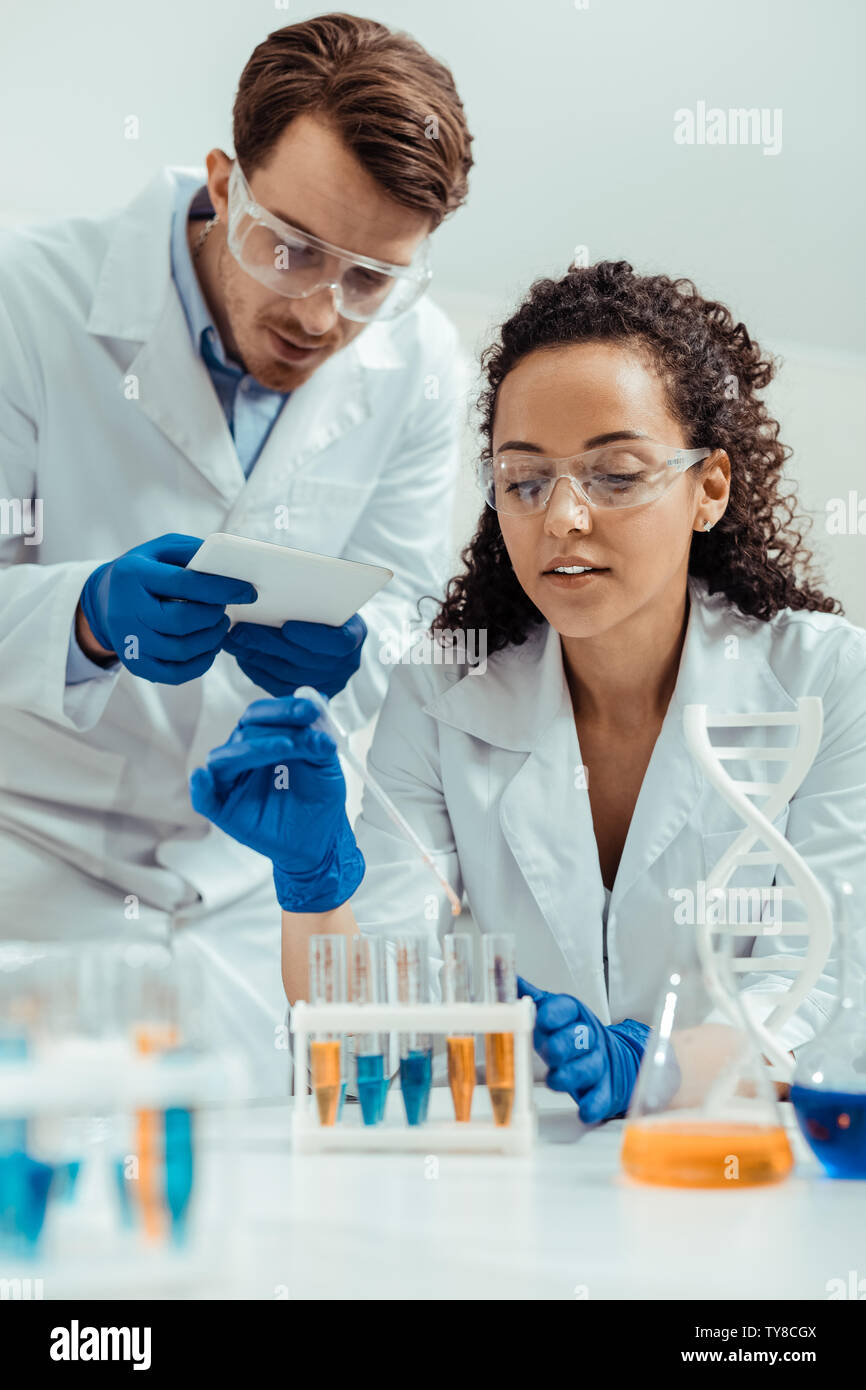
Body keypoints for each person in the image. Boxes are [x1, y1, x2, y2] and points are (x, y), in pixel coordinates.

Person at [190, 261, 866, 1121]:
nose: (562, 519)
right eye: (525, 480)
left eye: (616, 474)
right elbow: (364, 1049)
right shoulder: (442, 690)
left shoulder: (827, 681)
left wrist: (647, 1065)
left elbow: (826, 997)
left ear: (710, 488)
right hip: (528, 1190)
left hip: (744, 1177)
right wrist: (313, 880)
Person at [0, 14, 473, 1094]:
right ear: (223, 182)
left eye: (369, 279)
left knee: (270, 1226)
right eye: (291, 247)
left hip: (248, 898)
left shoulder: (417, 359)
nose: (320, 312)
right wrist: (84, 616)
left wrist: (358, 648)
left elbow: (405, 597)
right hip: (33, 866)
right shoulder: (25, 300)